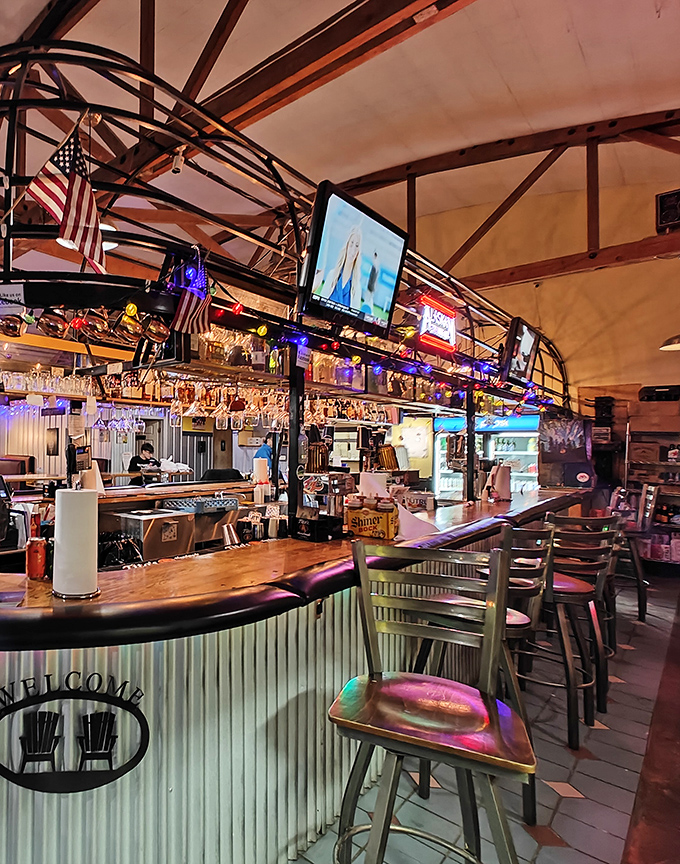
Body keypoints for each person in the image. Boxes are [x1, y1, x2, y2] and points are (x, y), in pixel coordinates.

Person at [317, 226, 363, 311]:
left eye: (356, 246)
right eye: (351, 244)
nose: (353, 250)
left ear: (358, 251)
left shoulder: (357, 287)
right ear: (347, 245)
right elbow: (320, 304)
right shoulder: (332, 275)